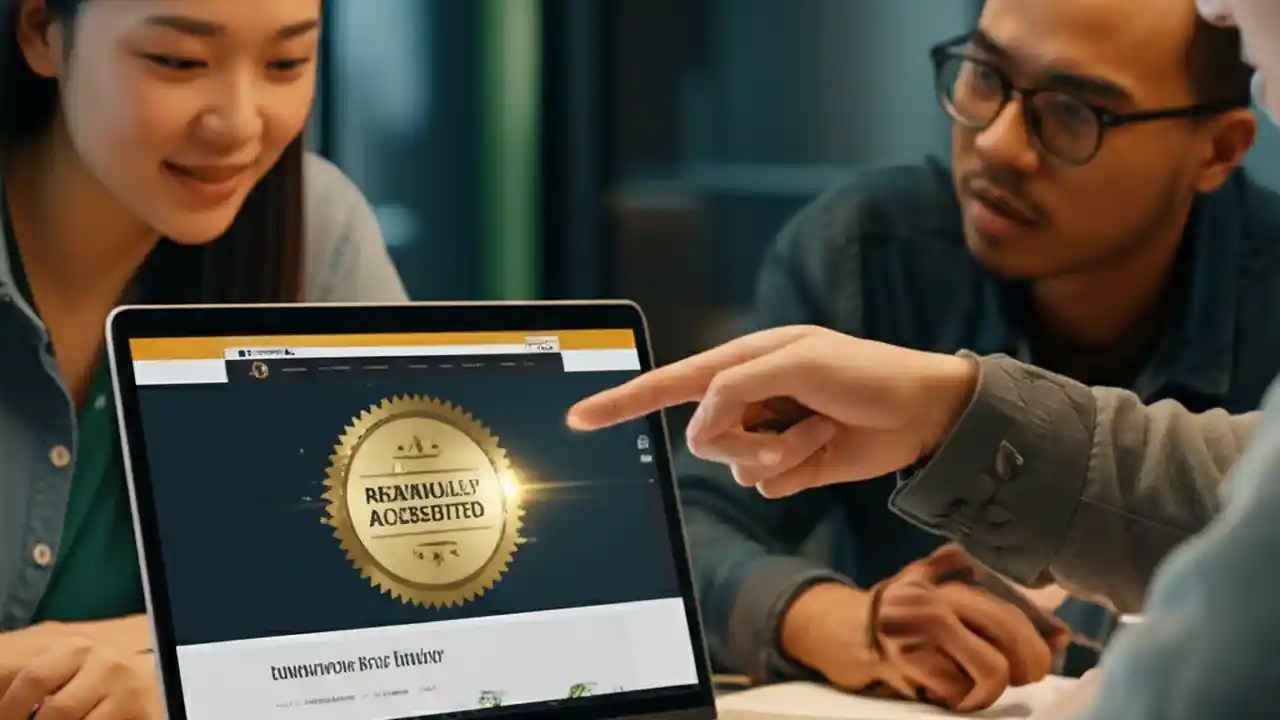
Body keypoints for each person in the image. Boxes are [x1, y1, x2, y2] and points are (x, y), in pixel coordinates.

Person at [567, 6, 1280, 717]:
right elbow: (683, 520)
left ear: (1218, 150)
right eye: (983, 74)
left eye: (1073, 111)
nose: (999, 143)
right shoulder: (869, 250)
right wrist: (839, 621)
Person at [0, 0, 405, 717]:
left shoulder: (317, 230)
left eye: (286, 63)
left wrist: (151, 666)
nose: (239, 124)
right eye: (179, 63)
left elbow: (380, 594)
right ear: (40, 31)